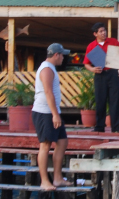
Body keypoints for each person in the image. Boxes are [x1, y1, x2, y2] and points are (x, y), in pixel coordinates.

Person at [33, 43, 72, 190]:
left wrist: (56, 113)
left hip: (53, 112)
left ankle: (57, 178)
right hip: (44, 112)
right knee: (45, 145)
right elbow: (48, 92)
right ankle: (44, 181)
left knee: (62, 142)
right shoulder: (47, 69)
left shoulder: (51, 68)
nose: (63, 58)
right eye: (62, 55)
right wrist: (55, 114)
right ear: (56, 55)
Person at [83, 22, 119, 133]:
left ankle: (117, 128)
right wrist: (92, 69)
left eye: (104, 30)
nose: (104, 33)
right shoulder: (91, 46)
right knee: (100, 101)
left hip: (112, 73)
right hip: (99, 75)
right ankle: (99, 127)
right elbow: (86, 63)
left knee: (116, 101)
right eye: (101, 31)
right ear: (95, 34)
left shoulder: (113, 42)